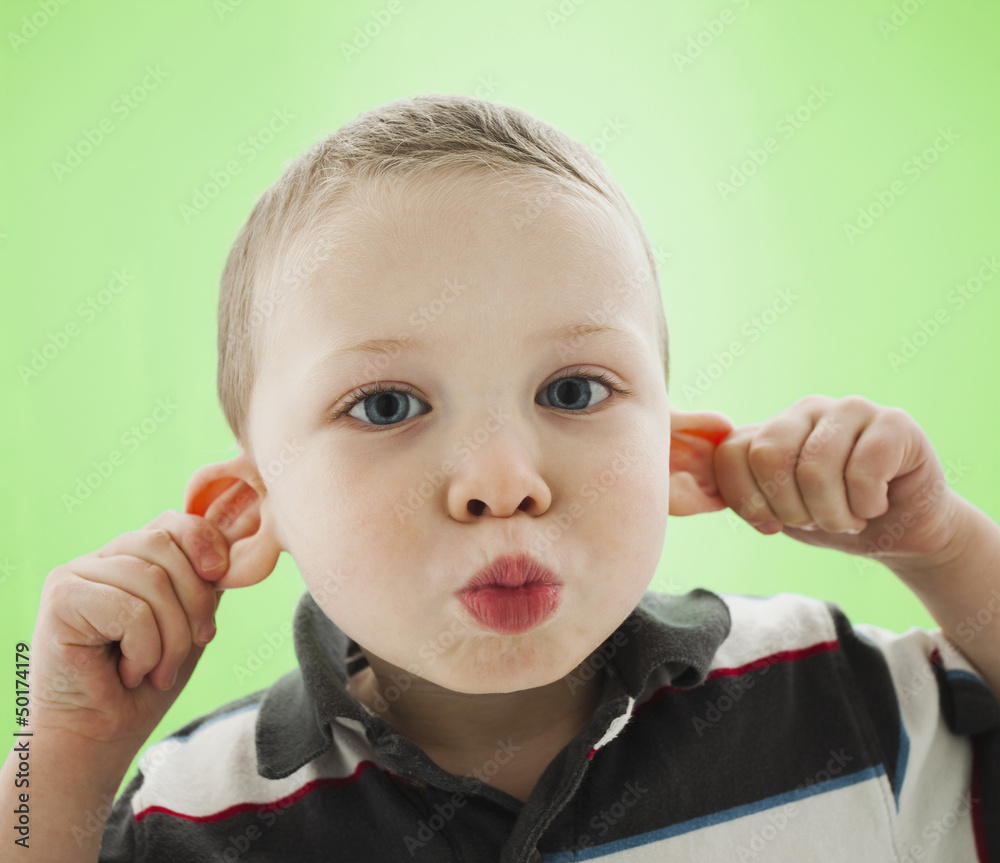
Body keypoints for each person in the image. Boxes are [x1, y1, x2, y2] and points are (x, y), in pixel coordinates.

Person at [3, 93, 998, 862]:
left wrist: (941, 543)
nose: (502, 482)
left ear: (675, 459)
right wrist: (60, 749)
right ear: (250, 513)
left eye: (572, 389)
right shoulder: (193, 813)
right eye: (386, 405)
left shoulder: (825, 692)